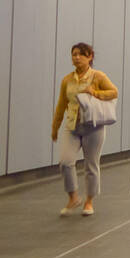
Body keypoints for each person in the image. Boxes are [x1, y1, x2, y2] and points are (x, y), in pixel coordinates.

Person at [51, 42, 119, 216]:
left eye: (81, 54)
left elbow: (114, 92)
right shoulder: (67, 80)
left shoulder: (98, 76)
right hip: (72, 126)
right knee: (66, 162)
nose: (77, 57)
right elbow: (61, 105)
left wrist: (95, 93)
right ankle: (73, 197)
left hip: (93, 127)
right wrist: (55, 127)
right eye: (74, 54)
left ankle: (89, 201)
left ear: (90, 57)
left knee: (91, 165)